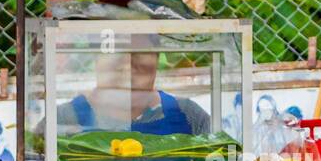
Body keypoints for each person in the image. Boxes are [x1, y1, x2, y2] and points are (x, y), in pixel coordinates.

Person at [57, 49, 210, 137]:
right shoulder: (63, 118)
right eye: (117, 52)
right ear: (97, 60)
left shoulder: (189, 116)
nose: (128, 67)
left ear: (156, 61)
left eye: (139, 53)